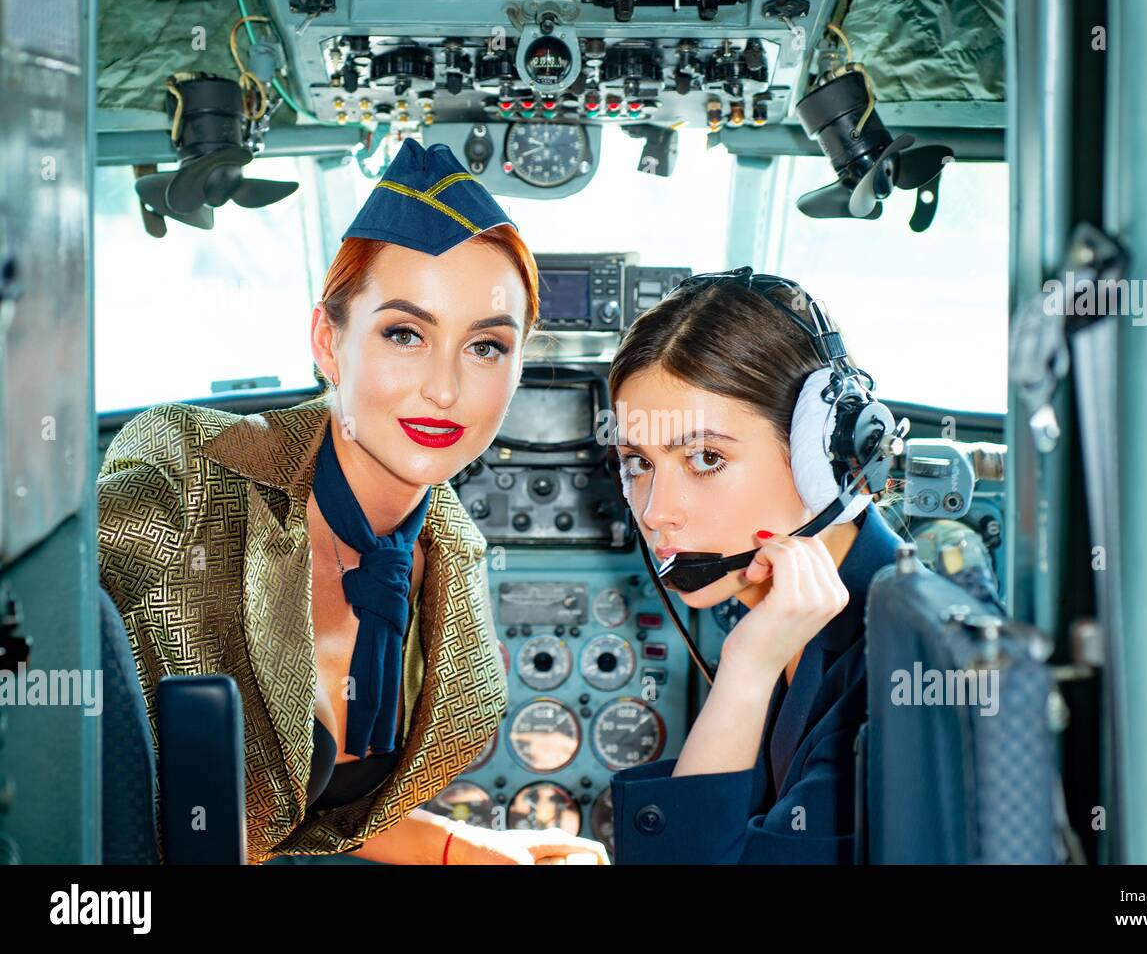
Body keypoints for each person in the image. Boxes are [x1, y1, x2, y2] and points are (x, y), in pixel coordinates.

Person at [97, 138, 607, 865]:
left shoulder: (451, 555)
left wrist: (475, 849)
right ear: (328, 342)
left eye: (486, 346)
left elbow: (303, 813)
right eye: (405, 333)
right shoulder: (189, 473)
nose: (444, 388)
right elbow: (37, 626)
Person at [606, 270, 904, 863]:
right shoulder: (762, 600)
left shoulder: (895, 675)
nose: (657, 513)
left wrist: (747, 667)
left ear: (826, 460)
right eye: (639, 462)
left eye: (706, 458)